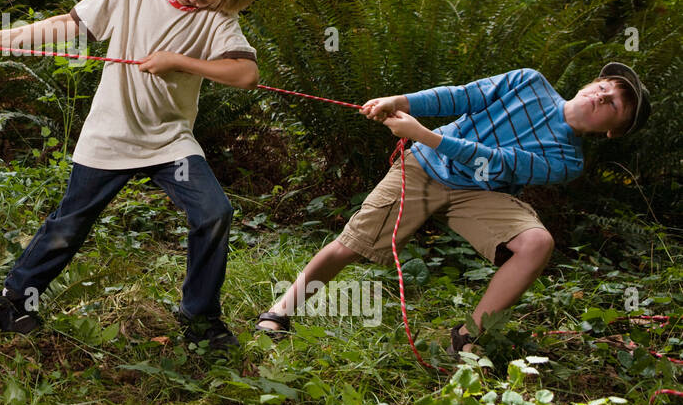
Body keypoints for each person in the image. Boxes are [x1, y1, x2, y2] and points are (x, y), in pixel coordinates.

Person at [0, 0, 263, 351]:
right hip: (111, 136)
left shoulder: (217, 16)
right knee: (70, 224)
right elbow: (67, 26)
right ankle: (14, 303)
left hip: (170, 142)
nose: (200, 0)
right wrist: (2, 37)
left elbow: (246, 73)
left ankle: (200, 320)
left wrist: (179, 62)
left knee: (214, 212)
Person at [256, 64, 651, 354]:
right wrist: (400, 102)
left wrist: (422, 134)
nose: (601, 95)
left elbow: (498, 161)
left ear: (612, 130)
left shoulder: (568, 160)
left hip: (477, 191)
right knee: (351, 245)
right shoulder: (528, 82)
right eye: (602, 85)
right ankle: (279, 313)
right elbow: (464, 95)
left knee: (536, 243)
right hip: (425, 166)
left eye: (614, 103)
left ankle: (466, 338)